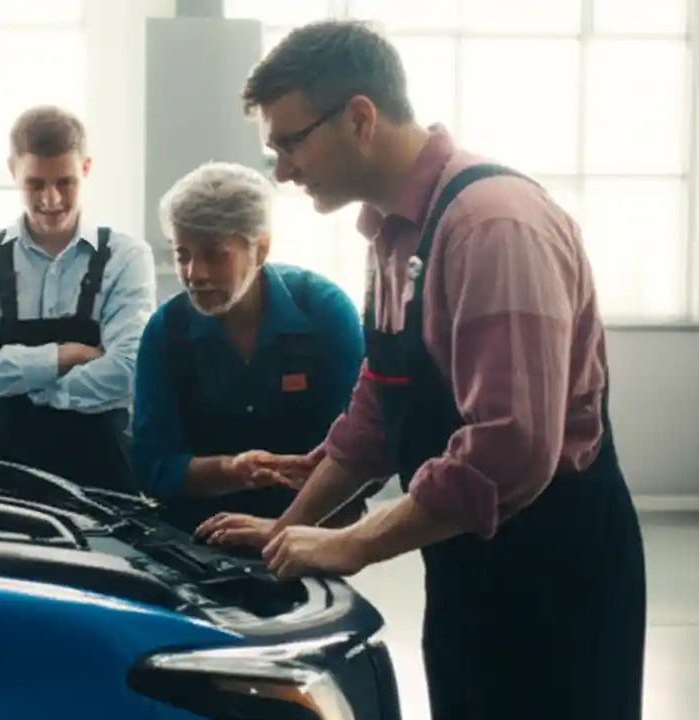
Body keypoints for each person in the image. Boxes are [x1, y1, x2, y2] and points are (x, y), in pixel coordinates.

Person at [195, 20, 646, 720]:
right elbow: (380, 411)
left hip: (553, 575)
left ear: (360, 117)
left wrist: (352, 543)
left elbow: (511, 449)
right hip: (466, 562)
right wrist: (289, 530)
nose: (281, 171)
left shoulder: (491, 227)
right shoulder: (393, 233)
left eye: (291, 143)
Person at [130, 160, 365, 534]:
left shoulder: (326, 313)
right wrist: (232, 470)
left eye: (215, 254)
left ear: (261, 249)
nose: (194, 273)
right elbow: (150, 465)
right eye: (182, 254)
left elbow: (364, 447)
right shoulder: (165, 332)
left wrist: (282, 528)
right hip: (198, 537)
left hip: (317, 533)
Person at [0, 105, 156, 493]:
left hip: (106, 477)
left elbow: (130, 368)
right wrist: (63, 356)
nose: (51, 198)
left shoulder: (127, 256)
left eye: (65, 182)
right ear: (12, 170)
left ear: (86, 169)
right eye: (35, 183)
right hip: (7, 477)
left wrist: (38, 393)